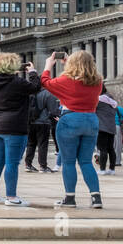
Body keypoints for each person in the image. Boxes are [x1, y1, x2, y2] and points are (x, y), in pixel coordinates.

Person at [40, 49, 103, 209]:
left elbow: (45, 82)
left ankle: (70, 198)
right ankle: (96, 198)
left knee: (68, 162)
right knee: (86, 162)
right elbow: (83, 81)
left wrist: (48, 65)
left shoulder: (65, 80)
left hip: (70, 119)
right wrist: (71, 62)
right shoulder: (98, 81)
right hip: (91, 120)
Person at [0, 53, 41, 205]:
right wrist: (33, 73)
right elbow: (35, 87)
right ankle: (12, 197)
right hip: (14, 126)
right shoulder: (17, 82)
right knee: (12, 163)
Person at [25, 85, 59, 173]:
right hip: (43, 122)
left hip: (30, 122)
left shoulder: (29, 93)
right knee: (42, 144)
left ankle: (28, 164)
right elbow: (53, 110)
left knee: (31, 143)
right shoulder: (48, 94)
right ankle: (43, 166)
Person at [95, 85, 119, 175]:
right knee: (111, 149)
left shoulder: (98, 100)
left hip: (101, 128)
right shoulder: (112, 102)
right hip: (111, 127)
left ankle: (102, 169)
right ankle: (112, 169)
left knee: (102, 149)